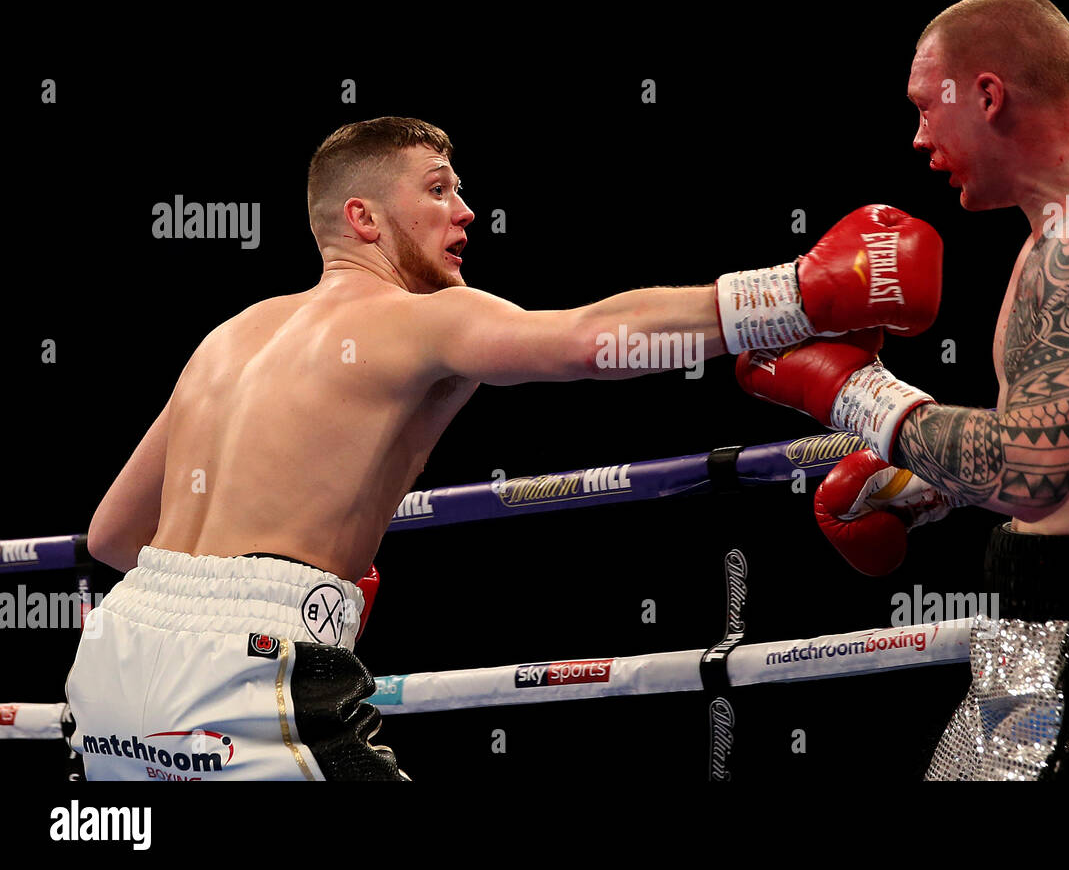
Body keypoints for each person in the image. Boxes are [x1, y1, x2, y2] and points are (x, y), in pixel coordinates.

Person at [64, 116, 944, 780]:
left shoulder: (228, 335)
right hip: (246, 669)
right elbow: (588, 341)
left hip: (110, 662)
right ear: (364, 218)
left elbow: (111, 536)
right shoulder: (421, 318)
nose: (467, 209)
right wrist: (794, 294)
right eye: (439, 189)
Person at [738, 0, 1069, 780]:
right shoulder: (1059, 236)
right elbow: (1067, 449)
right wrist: (929, 486)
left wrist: (851, 392)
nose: (916, 138)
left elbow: (1030, 472)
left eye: (923, 108)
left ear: (986, 94)